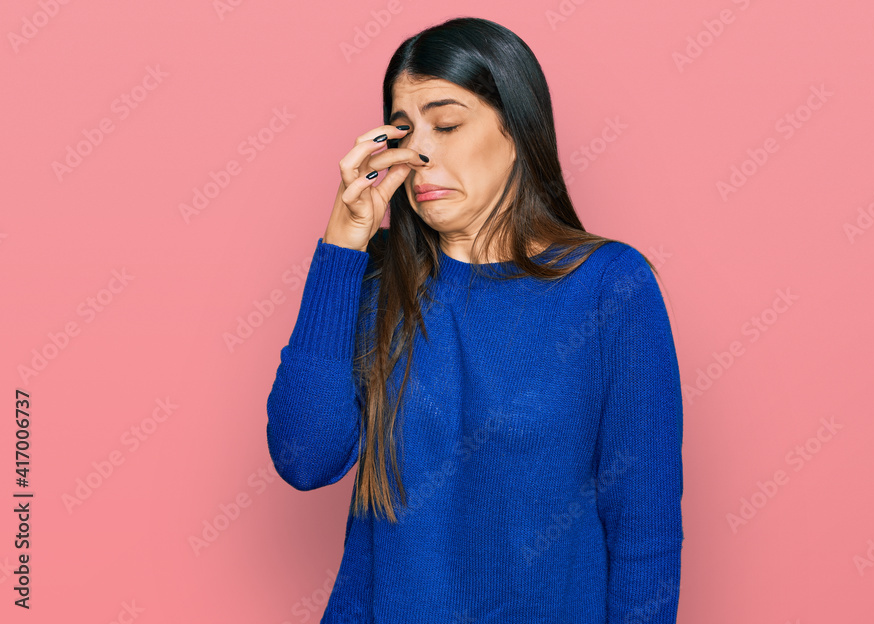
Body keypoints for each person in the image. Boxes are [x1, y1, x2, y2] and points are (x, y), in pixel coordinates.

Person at [266, 16, 684, 624]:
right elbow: (305, 458)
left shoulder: (610, 287)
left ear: (515, 129)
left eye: (448, 124)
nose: (422, 151)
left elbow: (644, 534)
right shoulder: (377, 281)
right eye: (403, 131)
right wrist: (341, 247)